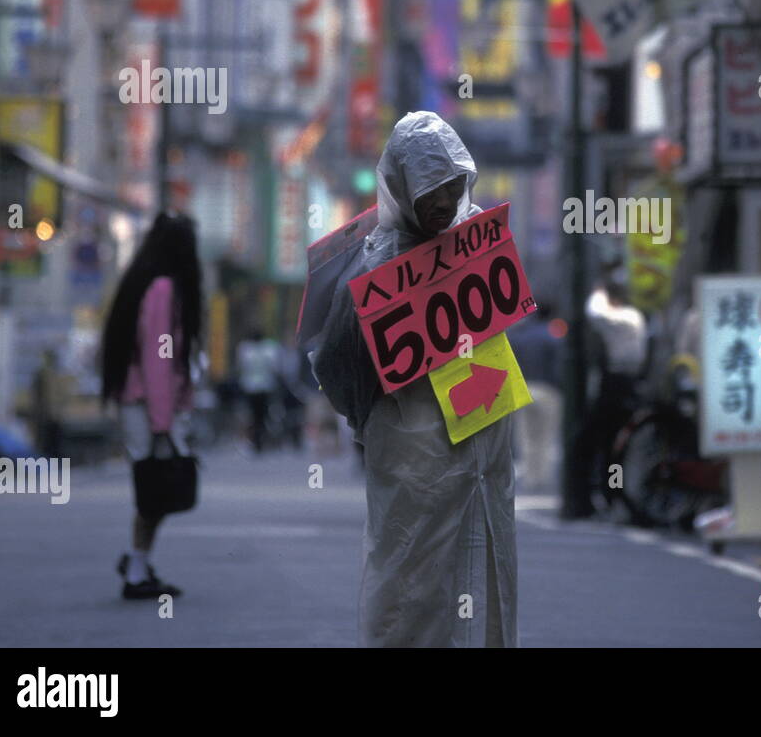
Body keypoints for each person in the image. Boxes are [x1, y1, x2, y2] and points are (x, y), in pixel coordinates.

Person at [313, 111, 517, 648]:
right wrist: (377, 418)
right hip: (413, 454)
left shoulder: (476, 247)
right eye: (430, 191)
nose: (443, 202)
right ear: (401, 187)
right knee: (413, 581)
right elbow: (335, 364)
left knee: (487, 570)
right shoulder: (372, 264)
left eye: (452, 186)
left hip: (482, 443)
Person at [100, 211, 202, 600]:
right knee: (156, 487)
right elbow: (158, 360)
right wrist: (162, 422)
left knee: (155, 489)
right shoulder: (163, 290)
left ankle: (137, 561)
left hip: (144, 402)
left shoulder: (148, 284)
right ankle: (137, 567)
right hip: (149, 405)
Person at [572, 278, 647, 517]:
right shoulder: (633, 318)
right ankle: (609, 498)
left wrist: (597, 291)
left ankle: (605, 499)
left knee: (600, 447)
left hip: (617, 388)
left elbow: (595, 313)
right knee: (609, 449)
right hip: (622, 387)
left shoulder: (624, 318)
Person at [508, 302, 563, 493]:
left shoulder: (519, 336)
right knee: (546, 436)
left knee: (525, 436)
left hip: (524, 387)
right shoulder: (553, 336)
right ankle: (542, 476)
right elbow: (559, 366)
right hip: (548, 389)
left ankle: (530, 477)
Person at [236, 329, 280, 453]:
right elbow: (275, 367)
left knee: (254, 416)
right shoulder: (269, 349)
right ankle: (260, 440)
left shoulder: (245, 349)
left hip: (251, 387)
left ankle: (256, 440)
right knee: (262, 416)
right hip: (265, 387)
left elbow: (241, 366)